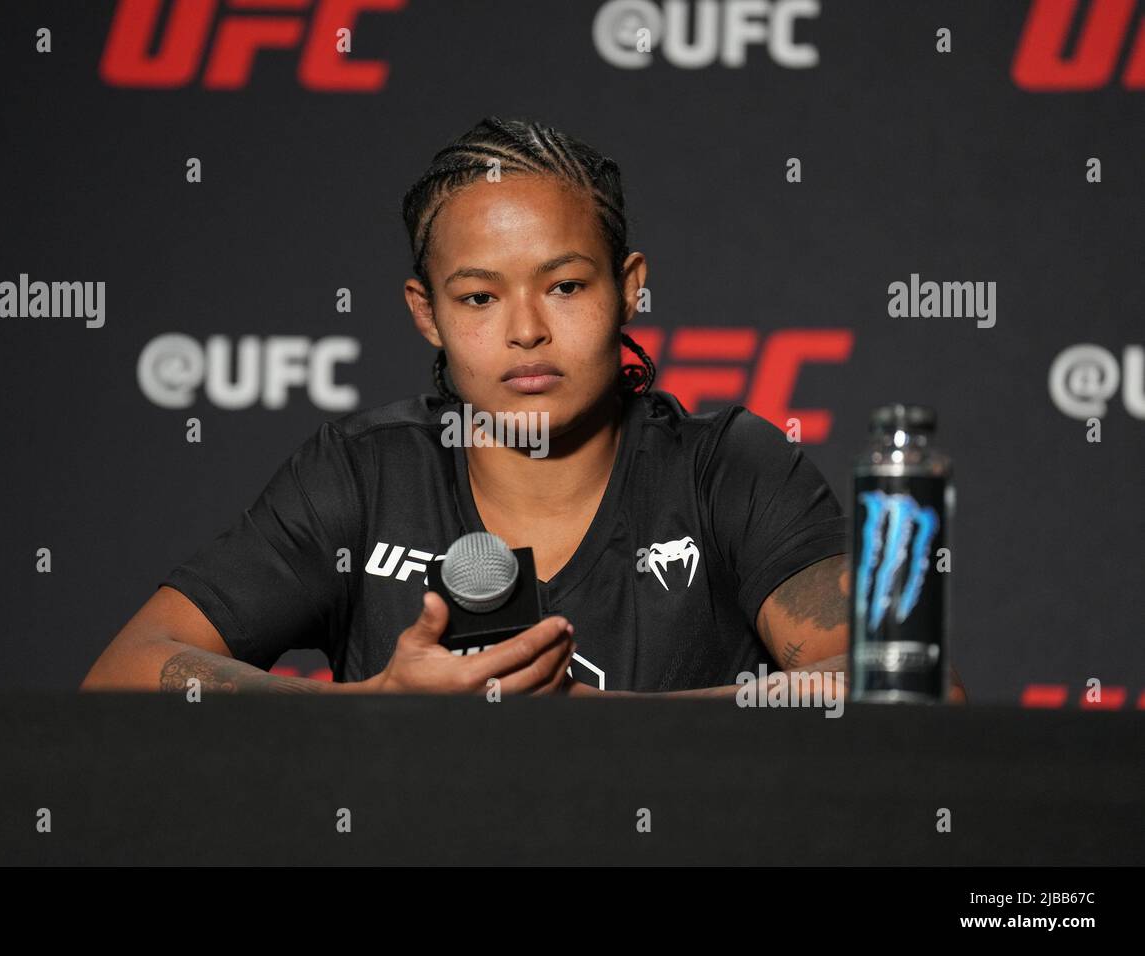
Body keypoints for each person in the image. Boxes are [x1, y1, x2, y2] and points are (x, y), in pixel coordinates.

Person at [82, 116, 965, 701]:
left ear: (628, 289)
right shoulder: (363, 474)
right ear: (426, 312)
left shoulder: (726, 468)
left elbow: (907, 690)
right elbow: (124, 670)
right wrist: (374, 705)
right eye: (478, 298)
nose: (526, 331)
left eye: (566, 285)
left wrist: (587, 721)